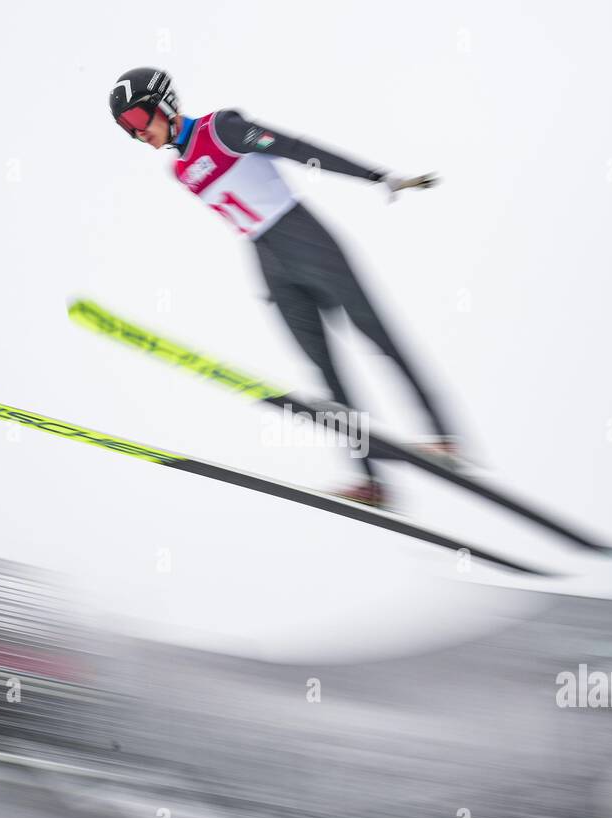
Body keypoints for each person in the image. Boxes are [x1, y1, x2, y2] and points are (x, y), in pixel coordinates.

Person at [109, 66, 458, 508]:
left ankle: (444, 436)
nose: (138, 135)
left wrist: (377, 176)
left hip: (307, 241)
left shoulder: (223, 130)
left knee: (376, 335)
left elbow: (297, 149)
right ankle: (372, 481)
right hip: (269, 261)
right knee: (326, 373)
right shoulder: (179, 170)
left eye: (138, 121)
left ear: (163, 105)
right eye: (126, 129)